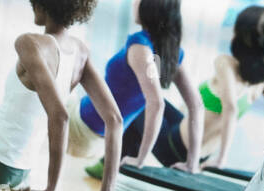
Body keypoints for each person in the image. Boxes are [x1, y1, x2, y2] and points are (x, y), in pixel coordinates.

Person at [0, 0, 122, 191]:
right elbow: (115, 120)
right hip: (20, 170)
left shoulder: (29, 43)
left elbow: (60, 116)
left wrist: (50, 190)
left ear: (43, 5)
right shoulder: (80, 52)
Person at [138, 5, 264, 170]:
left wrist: (222, 160)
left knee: (138, 100)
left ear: (240, 36)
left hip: (177, 147)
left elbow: (231, 108)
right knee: (155, 102)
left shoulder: (226, 63)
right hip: (197, 149)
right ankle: (120, 159)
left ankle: (113, 163)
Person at [72, 0, 204, 176]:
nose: (134, 3)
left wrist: (140, 160)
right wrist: (192, 163)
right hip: (100, 135)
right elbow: (196, 105)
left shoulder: (139, 45)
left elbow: (156, 103)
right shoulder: (171, 53)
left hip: (82, 126)